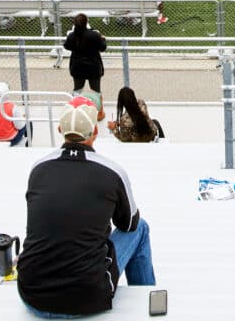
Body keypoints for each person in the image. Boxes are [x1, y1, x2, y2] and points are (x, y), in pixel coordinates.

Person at [18, 98, 156, 317]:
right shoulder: (112, 171)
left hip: (32, 293)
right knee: (142, 229)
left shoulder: (38, 169)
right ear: (94, 131)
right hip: (89, 296)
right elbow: (130, 224)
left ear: (60, 129)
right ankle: (147, 298)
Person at [65, 13, 108, 111]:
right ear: (86, 22)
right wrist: (103, 40)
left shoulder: (72, 36)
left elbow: (66, 46)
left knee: (77, 89)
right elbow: (103, 48)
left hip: (77, 67)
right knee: (96, 90)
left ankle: (75, 109)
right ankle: (99, 112)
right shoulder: (95, 35)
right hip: (93, 67)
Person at [0, 81, 30, 147]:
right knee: (28, 122)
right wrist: (22, 118)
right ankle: (29, 143)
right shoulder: (13, 107)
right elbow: (19, 126)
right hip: (11, 140)